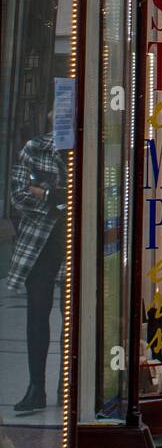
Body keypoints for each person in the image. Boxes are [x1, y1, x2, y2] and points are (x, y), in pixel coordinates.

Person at [7, 122, 68, 414]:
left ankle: (67, 384)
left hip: (73, 244)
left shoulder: (90, 151)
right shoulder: (36, 148)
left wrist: (44, 193)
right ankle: (36, 386)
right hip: (39, 246)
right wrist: (56, 199)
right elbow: (18, 195)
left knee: (71, 318)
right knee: (37, 313)